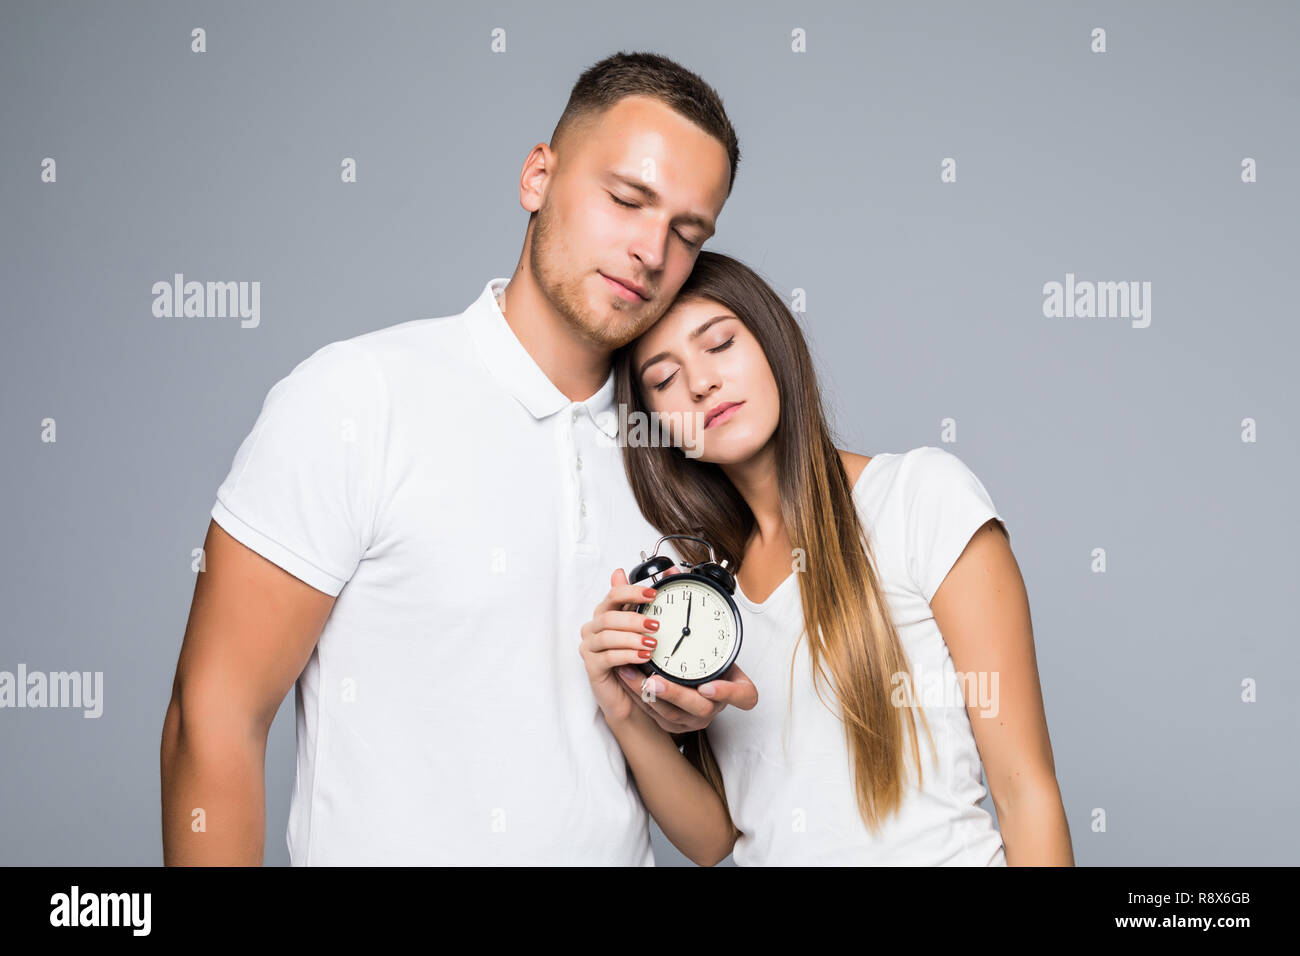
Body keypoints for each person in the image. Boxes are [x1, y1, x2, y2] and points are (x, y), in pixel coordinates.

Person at [160, 51, 759, 866]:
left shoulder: (676, 460)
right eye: (626, 199)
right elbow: (214, 716)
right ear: (538, 178)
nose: (651, 251)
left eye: (687, 232)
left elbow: (707, 815)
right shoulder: (356, 399)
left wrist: (677, 716)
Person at [578, 250, 1075, 865]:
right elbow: (714, 841)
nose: (700, 383)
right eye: (663, 379)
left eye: (720, 344)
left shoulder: (919, 499)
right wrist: (621, 703)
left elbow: (1026, 791)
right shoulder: (697, 601)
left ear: (772, 341)